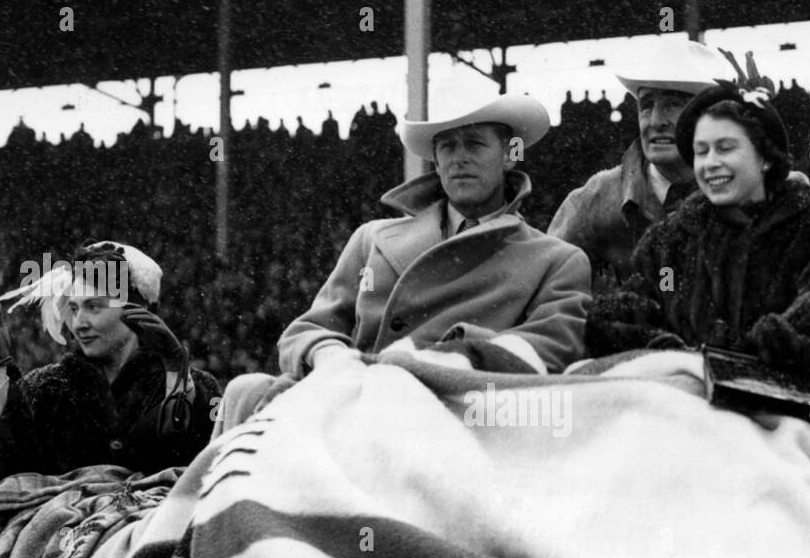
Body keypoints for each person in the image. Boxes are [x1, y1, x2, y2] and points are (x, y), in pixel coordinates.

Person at [220, 94, 593, 430]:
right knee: (245, 391)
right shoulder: (372, 238)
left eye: (475, 144)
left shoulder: (556, 261)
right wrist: (331, 356)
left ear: (511, 154)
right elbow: (306, 331)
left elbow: (550, 350)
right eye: (446, 147)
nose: (459, 158)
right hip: (347, 405)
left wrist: (446, 357)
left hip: (455, 420)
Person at [585, 81, 810, 369]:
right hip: (694, 406)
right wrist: (681, 359)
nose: (710, 163)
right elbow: (620, 318)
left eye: (726, 148)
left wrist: (742, 357)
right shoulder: (667, 244)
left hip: (803, 407)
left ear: (766, 157)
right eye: (701, 151)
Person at [0, 240, 221, 490]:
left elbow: (201, 469)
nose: (79, 323)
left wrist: (176, 371)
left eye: (94, 307)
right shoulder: (44, 388)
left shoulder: (200, 387)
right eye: (74, 308)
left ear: (139, 310)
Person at [547, 40, 737, 284]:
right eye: (646, 105)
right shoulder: (596, 198)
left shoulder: (749, 192)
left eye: (673, 105)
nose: (656, 121)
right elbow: (547, 290)